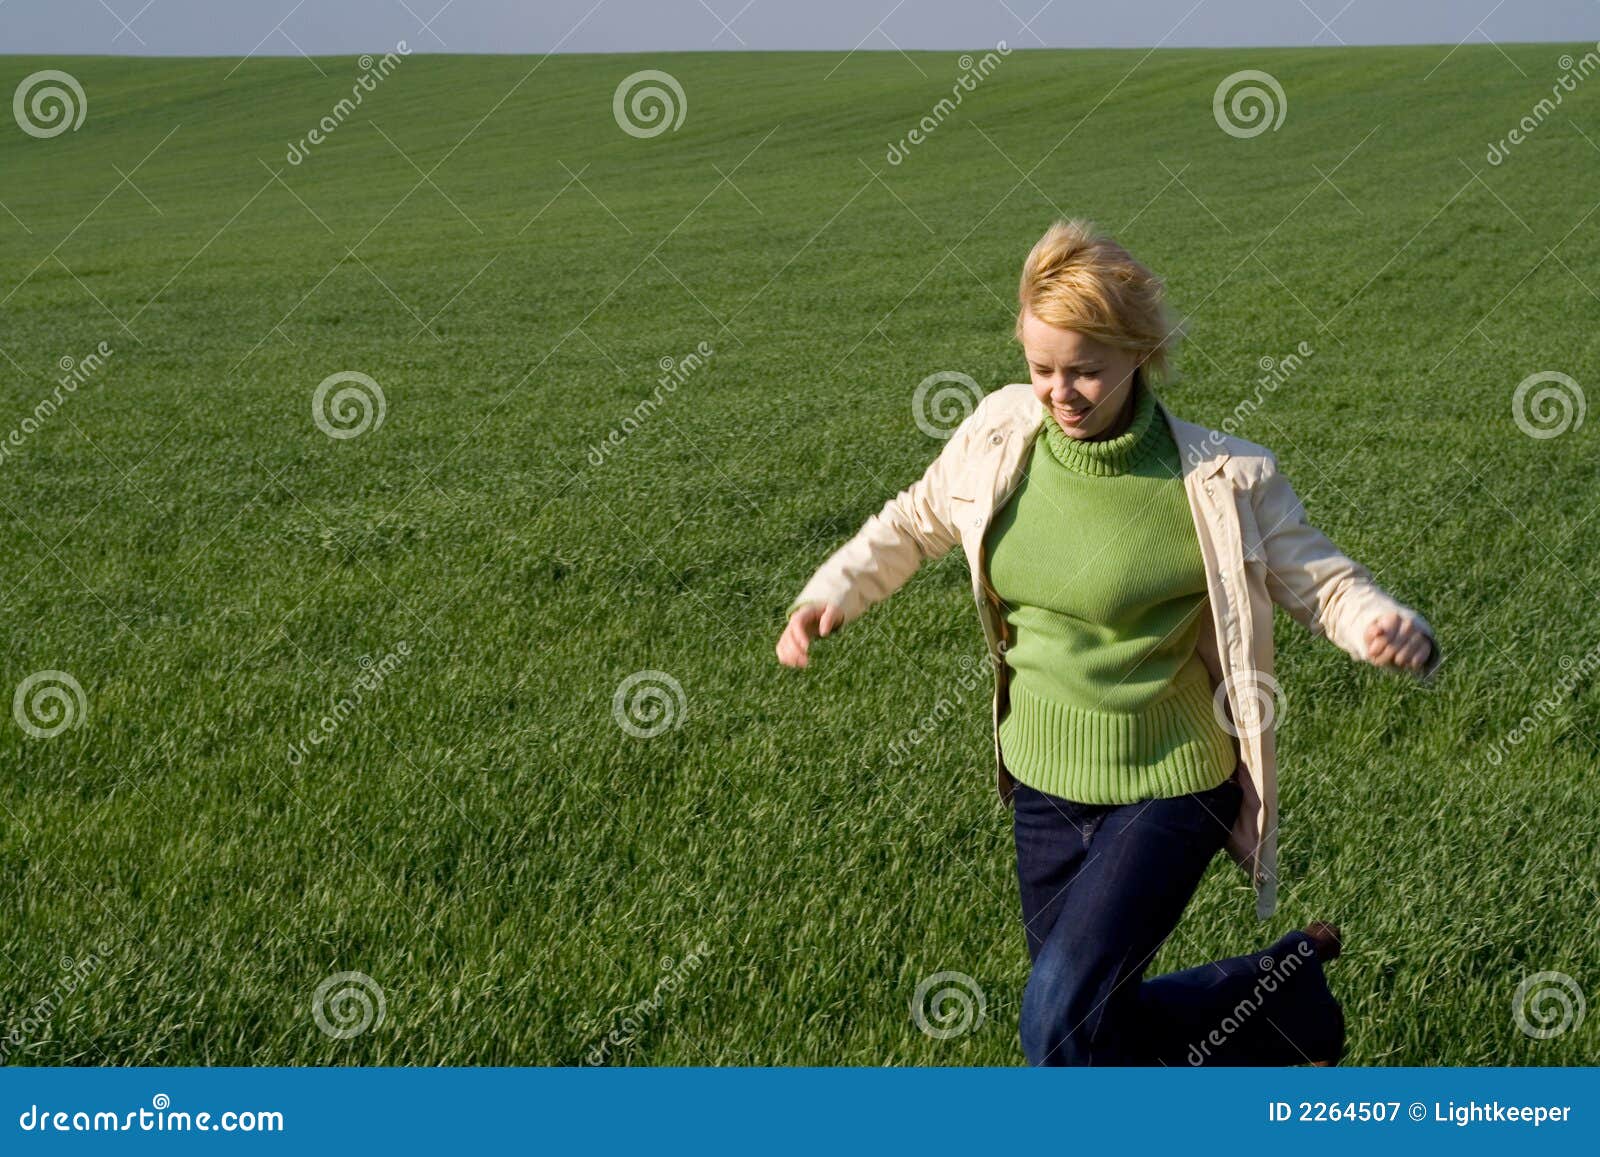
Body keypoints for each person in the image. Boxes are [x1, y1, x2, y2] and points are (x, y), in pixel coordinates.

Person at [775, 218, 1440, 1066]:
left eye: (1085, 368)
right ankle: (1285, 999)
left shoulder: (1221, 478)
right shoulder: (997, 438)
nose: (1060, 391)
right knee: (1089, 1031)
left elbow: (1321, 583)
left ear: (1141, 352)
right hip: (1042, 787)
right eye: (1041, 367)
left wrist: (1378, 622)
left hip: (1170, 783)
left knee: (1054, 1021)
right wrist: (830, 593)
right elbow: (913, 520)